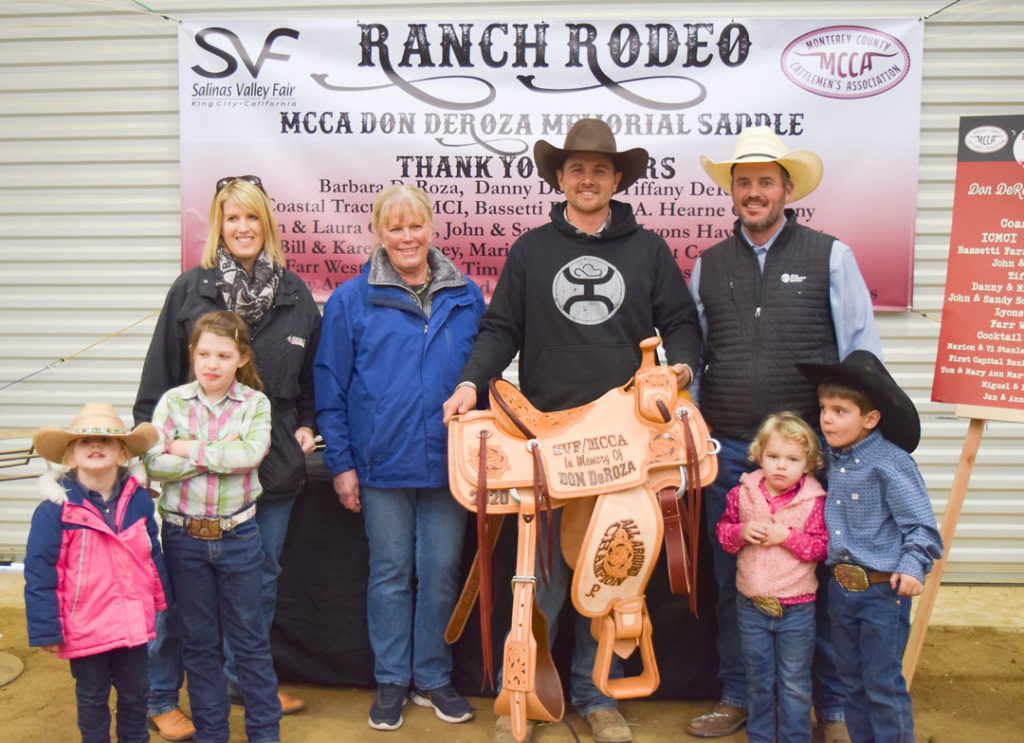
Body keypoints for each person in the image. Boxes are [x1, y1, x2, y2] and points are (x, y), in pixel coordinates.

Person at [443, 118, 701, 743]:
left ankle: (595, 692)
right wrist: (472, 383)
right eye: (576, 169)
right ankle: (522, 688)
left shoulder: (650, 250)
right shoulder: (532, 250)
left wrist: (680, 372)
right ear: (559, 178)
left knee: (612, 567)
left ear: (617, 179)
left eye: (600, 170)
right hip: (549, 435)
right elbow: (500, 327)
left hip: (626, 435)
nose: (588, 179)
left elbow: (683, 325)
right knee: (541, 574)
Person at [687, 126, 882, 741]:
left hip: (810, 460)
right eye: (743, 183)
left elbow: (860, 356)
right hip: (730, 454)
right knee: (733, 581)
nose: (753, 193)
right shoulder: (708, 266)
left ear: (786, 188)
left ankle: (828, 705)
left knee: (817, 581)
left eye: (764, 182)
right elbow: (694, 354)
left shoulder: (831, 255)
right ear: (733, 193)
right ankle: (739, 694)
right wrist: (692, 429)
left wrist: (851, 444)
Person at [135, 174, 319, 739]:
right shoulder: (191, 290)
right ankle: (162, 695)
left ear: (266, 223)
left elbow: (312, 376)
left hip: (274, 461)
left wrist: (310, 424)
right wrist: (151, 446)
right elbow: (158, 381)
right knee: (176, 595)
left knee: (259, 582)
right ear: (219, 225)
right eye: (231, 218)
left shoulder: (295, 295)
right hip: (188, 480)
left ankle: (245, 682)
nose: (242, 228)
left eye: (251, 217)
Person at [314, 184, 486, 732]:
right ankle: (391, 679)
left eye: (416, 226)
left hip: (448, 467)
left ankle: (433, 677)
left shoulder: (466, 296)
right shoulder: (349, 300)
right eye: (396, 227)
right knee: (390, 574)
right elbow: (330, 386)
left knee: (440, 572)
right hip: (381, 465)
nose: (407, 237)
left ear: (432, 229)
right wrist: (341, 464)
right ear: (379, 233)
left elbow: (484, 371)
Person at [145, 310, 280, 743]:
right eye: (204, 353)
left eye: (224, 355)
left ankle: (264, 734)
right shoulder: (172, 402)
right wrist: (218, 452)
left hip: (238, 538)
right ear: (192, 354)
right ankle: (212, 734)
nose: (212, 364)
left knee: (250, 643)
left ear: (241, 358)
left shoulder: (255, 404)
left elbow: (250, 456)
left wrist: (185, 449)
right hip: (184, 537)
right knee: (198, 645)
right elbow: (152, 462)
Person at [797, 351, 942, 743]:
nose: (827, 418)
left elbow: (921, 527)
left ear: (870, 419)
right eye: (824, 408)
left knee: (881, 684)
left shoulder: (890, 464)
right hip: (842, 591)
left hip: (882, 593)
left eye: (840, 411)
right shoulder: (828, 458)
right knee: (851, 684)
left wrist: (913, 566)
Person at [25, 404, 167, 743]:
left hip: (133, 622)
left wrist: (163, 601)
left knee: (136, 695)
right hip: (84, 626)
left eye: (105, 439)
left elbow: (152, 553)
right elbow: (41, 573)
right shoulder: (55, 512)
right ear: (71, 458)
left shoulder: (140, 503)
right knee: (92, 697)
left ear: (122, 454)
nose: (95, 445)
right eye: (85, 441)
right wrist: (46, 627)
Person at [716, 412, 827, 743]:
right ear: (758, 455)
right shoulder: (742, 493)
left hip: (797, 607)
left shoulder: (813, 502)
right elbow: (723, 534)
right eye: (773, 456)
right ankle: (761, 737)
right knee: (759, 678)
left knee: (794, 681)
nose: (781, 466)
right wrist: (741, 531)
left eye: (792, 459)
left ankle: (795, 737)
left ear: (808, 464)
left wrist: (786, 536)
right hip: (751, 604)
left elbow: (821, 548)